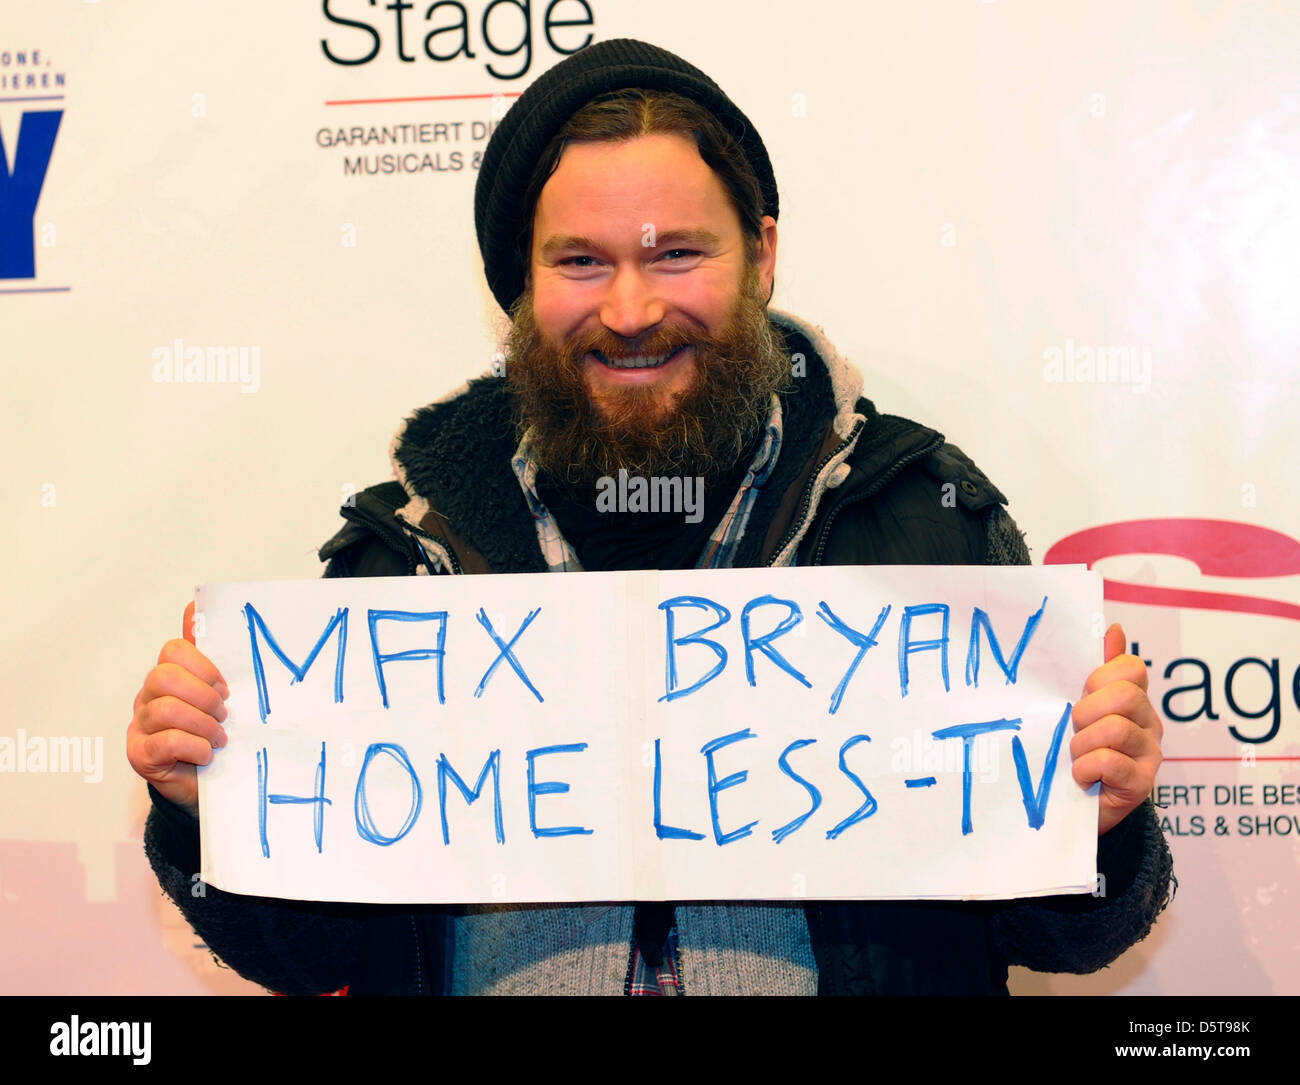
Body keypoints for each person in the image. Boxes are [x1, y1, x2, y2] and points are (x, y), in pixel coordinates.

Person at [127, 38, 1172, 995]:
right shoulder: (401, 558)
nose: (629, 310)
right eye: (580, 261)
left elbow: (1067, 935)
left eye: (677, 252)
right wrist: (196, 807)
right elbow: (313, 953)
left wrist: (1103, 821)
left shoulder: (914, 510)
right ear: (521, 286)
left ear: (760, 255)